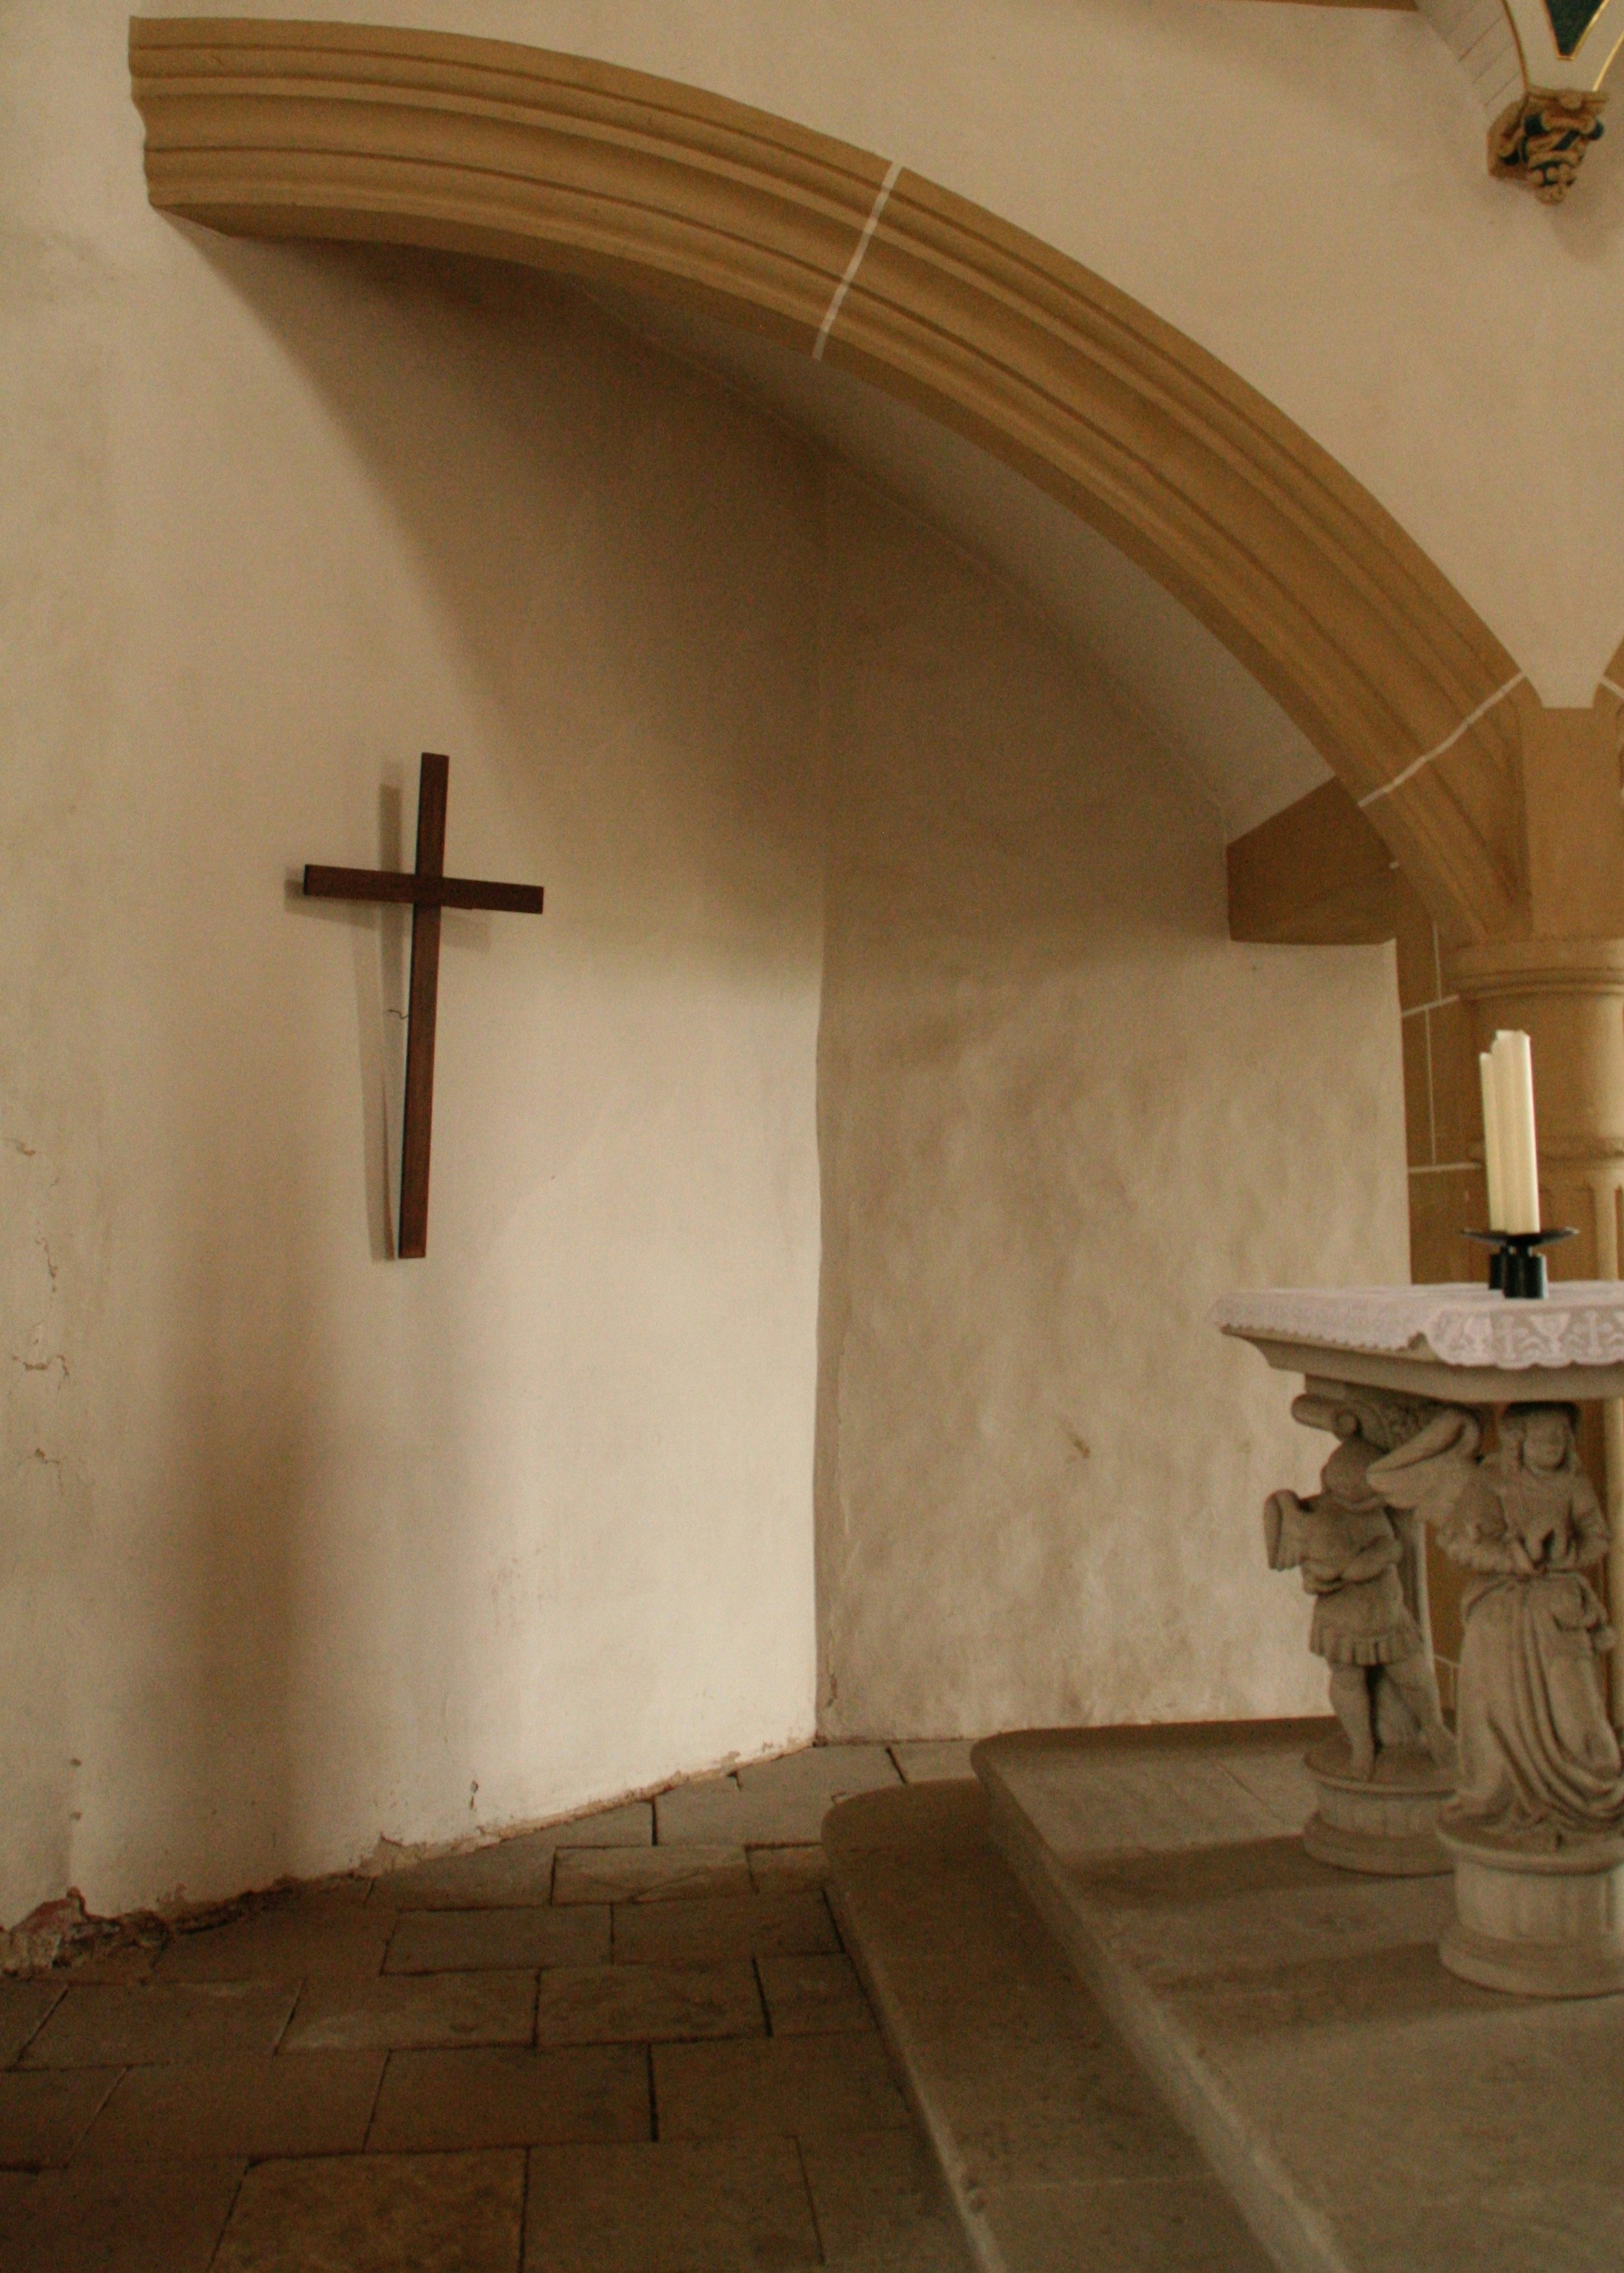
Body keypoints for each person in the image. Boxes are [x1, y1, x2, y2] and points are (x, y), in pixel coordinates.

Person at [1266, 1417, 1456, 1781]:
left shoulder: (1372, 1513)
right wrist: (1358, 1565)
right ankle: (1363, 1746)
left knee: (1412, 1672)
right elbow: (1320, 1577)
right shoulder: (1320, 1518)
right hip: (1344, 1619)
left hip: (1385, 1612)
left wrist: (1370, 1561)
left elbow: (1389, 1549)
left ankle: (1434, 1729)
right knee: (1348, 1679)